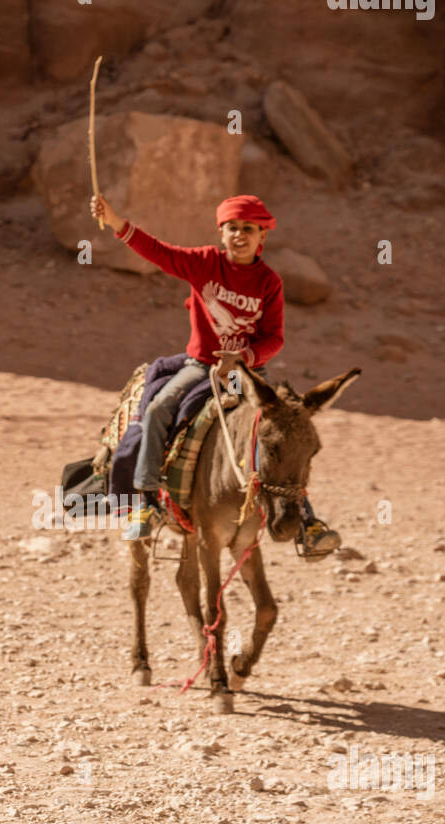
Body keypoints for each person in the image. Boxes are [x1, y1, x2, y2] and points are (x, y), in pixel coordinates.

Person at [90, 192, 341, 556]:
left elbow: (274, 337)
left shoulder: (269, 282)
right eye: (232, 228)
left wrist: (243, 357)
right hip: (202, 367)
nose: (240, 235)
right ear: (221, 233)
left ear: (262, 237)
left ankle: (306, 522)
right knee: (160, 407)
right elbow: (160, 252)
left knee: (287, 429)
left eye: (248, 229)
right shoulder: (204, 263)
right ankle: (145, 501)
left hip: (247, 373)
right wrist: (116, 224)